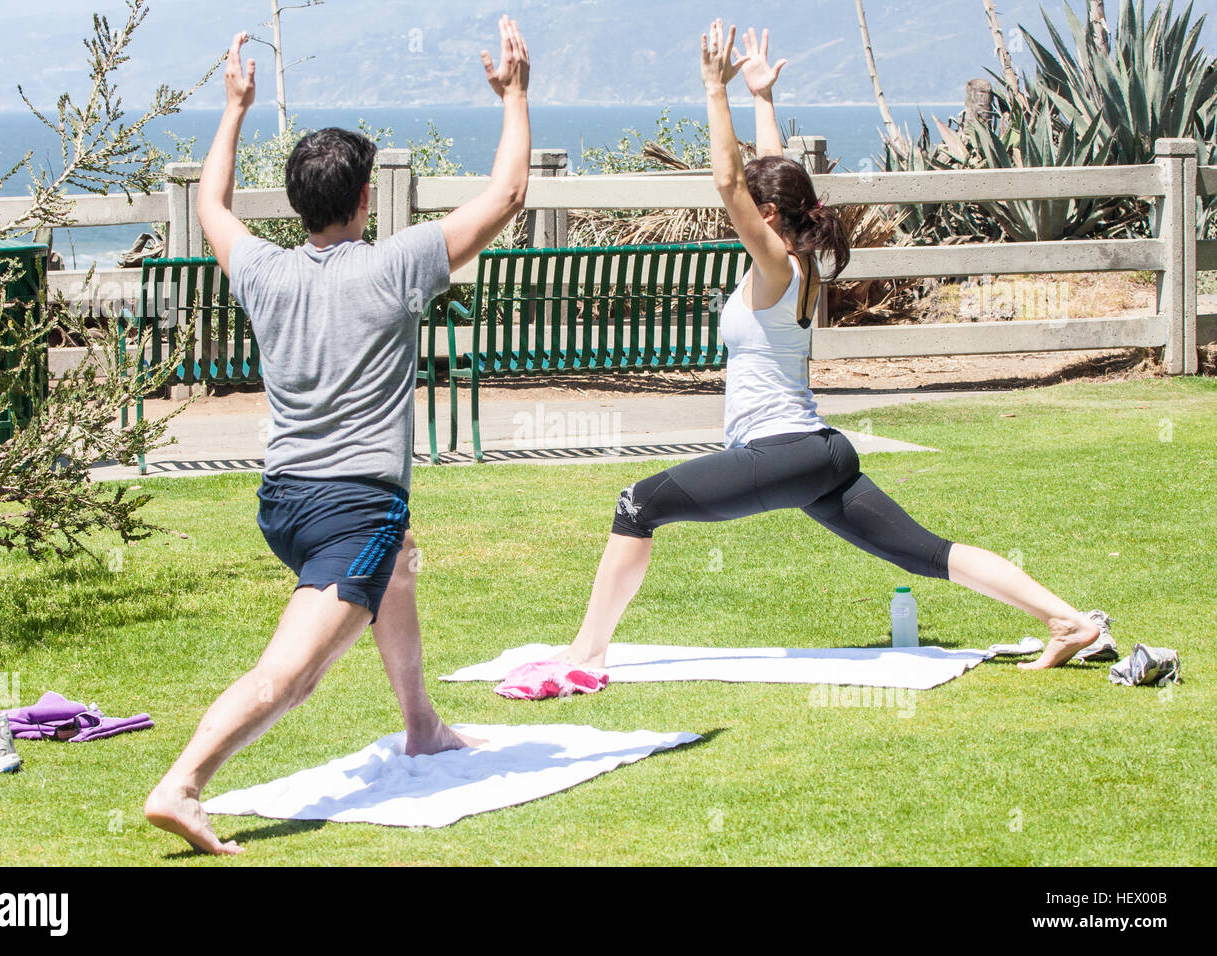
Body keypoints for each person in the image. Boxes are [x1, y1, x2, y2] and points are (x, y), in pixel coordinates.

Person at [504, 20, 1105, 699]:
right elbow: (773, 183)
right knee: (930, 554)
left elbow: (732, 183)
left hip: (784, 453)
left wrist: (714, 88)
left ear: (767, 217)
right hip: (819, 455)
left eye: (755, 214)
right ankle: (1065, 620)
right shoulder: (800, 259)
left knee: (637, 505)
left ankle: (586, 650)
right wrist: (761, 98)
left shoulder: (775, 267)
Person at [146, 17, 533, 854]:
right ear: (364, 199)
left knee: (398, 568)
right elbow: (505, 196)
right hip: (352, 509)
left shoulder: (263, 270)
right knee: (294, 676)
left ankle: (422, 726)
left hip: (281, 503)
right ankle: (183, 783)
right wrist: (516, 94)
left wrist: (234, 108)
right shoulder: (394, 266)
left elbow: (209, 203)